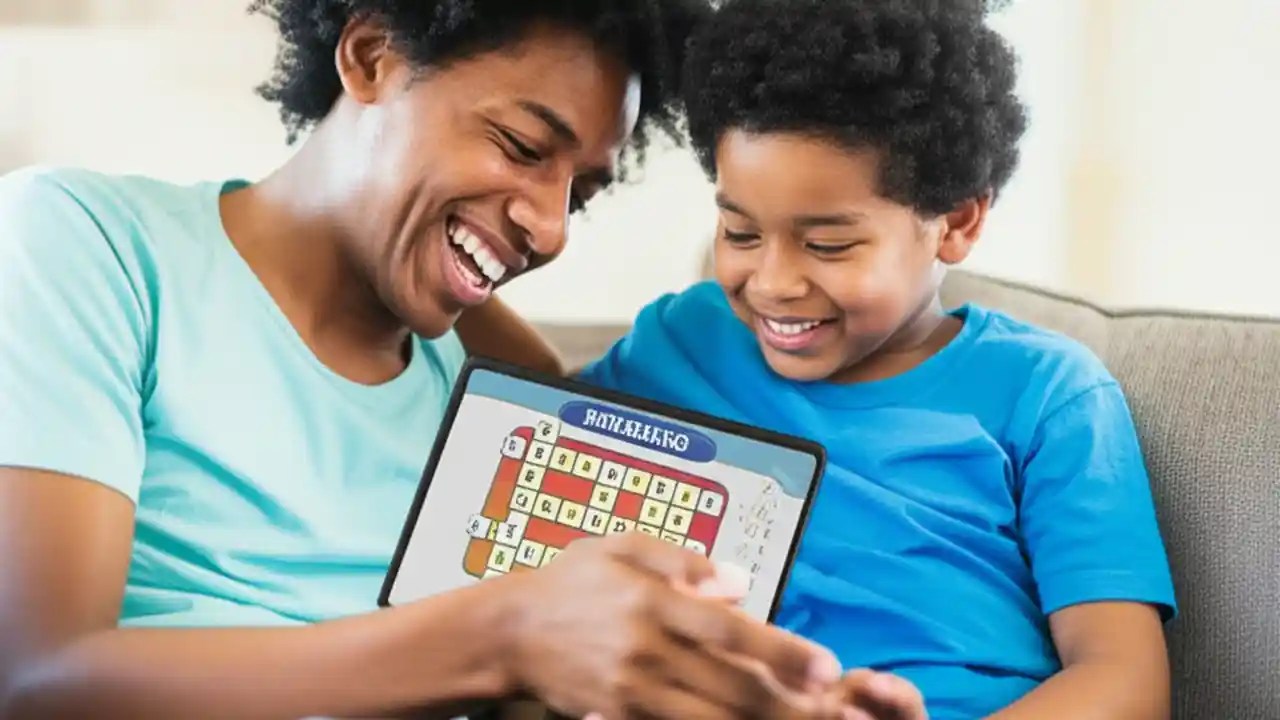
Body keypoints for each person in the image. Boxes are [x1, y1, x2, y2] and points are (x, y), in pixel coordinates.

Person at [0, 2, 855, 719]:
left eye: (581, 194)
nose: (551, 229)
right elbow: (35, 676)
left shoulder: (501, 376)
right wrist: (503, 633)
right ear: (372, 57)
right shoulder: (88, 242)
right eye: (522, 146)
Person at [574, 0, 1179, 718]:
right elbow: (511, 421)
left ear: (956, 222)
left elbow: (1124, 676)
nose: (772, 283)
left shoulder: (1049, 391)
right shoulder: (682, 343)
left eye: (828, 245)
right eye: (739, 232)